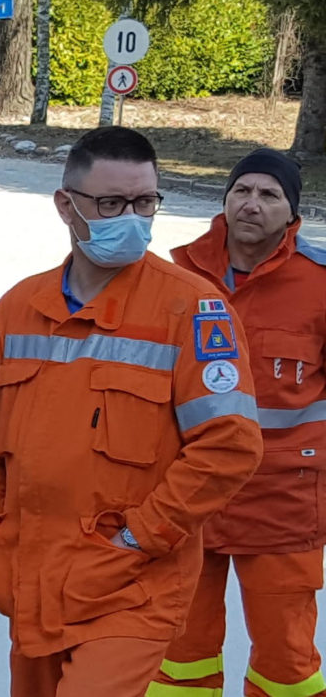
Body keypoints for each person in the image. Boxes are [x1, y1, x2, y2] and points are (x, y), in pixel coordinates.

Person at [0, 126, 262, 697]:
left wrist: (138, 540)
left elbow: (229, 444)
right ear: (65, 206)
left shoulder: (192, 309)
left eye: (145, 202)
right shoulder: (20, 307)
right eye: (110, 203)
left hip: (131, 585)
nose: (132, 217)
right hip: (34, 578)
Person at [161, 150, 326, 697]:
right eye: (242, 191)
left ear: (291, 213)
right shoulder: (174, 275)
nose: (252, 203)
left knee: (286, 660)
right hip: (188, 497)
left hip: (283, 502)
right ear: (225, 200)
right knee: (178, 654)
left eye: (269, 195)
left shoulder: (319, 286)